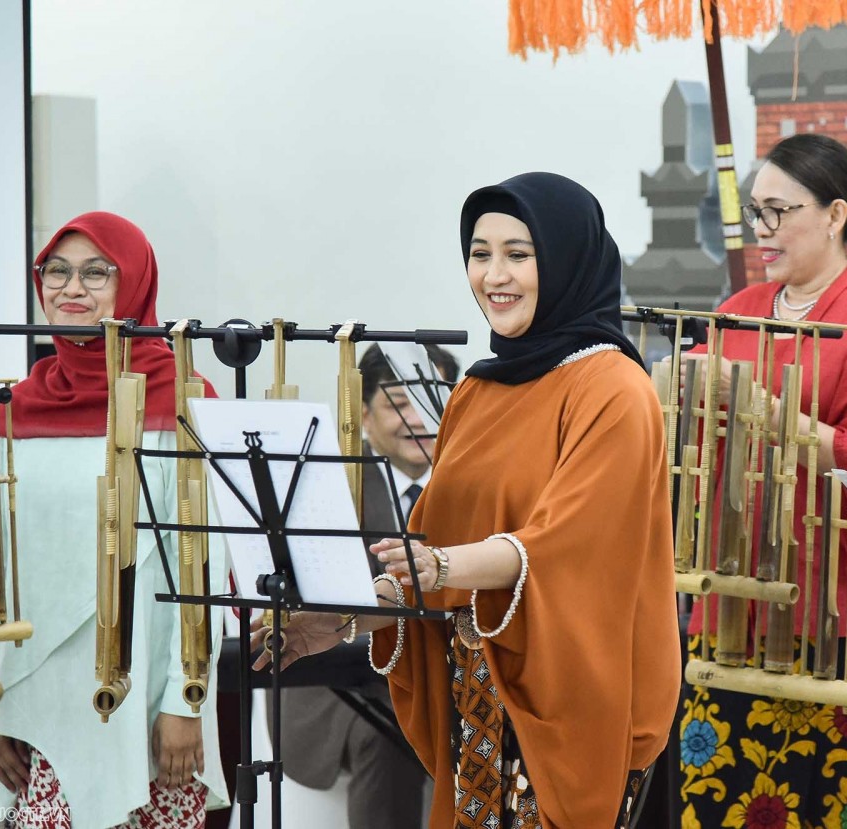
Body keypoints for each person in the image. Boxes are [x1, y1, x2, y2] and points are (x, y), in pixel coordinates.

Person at [255, 172, 682, 828]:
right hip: (478, 706)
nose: (494, 274)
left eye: (519, 253)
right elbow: (425, 566)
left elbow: (567, 545)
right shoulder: (478, 393)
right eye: (480, 254)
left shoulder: (616, 390)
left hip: (572, 716)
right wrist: (343, 622)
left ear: (567, 257)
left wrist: (446, 567)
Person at [677, 134, 847, 828]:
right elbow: (700, 425)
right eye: (753, 214)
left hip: (832, 599)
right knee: (713, 790)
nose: (762, 232)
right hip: (735, 587)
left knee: (824, 798)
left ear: (835, 214)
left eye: (778, 212)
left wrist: (757, 405)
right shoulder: (741, 305)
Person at [0, 212, 228, 828]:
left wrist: (184, 700)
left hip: (140, 701)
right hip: (31, 702)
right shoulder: (17, 409)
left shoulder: (181, 401)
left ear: (133, 284)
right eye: (55, 271)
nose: (70, 288)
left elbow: (202, 572)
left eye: (95, 272)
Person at [271, 342, 458, 829]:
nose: (418, 419)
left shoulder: (473, 488)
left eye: (432, 399)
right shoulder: (328, 487)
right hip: (344, 686)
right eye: (398, 402)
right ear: (366, 418)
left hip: (449, 674)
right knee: (391, 732)